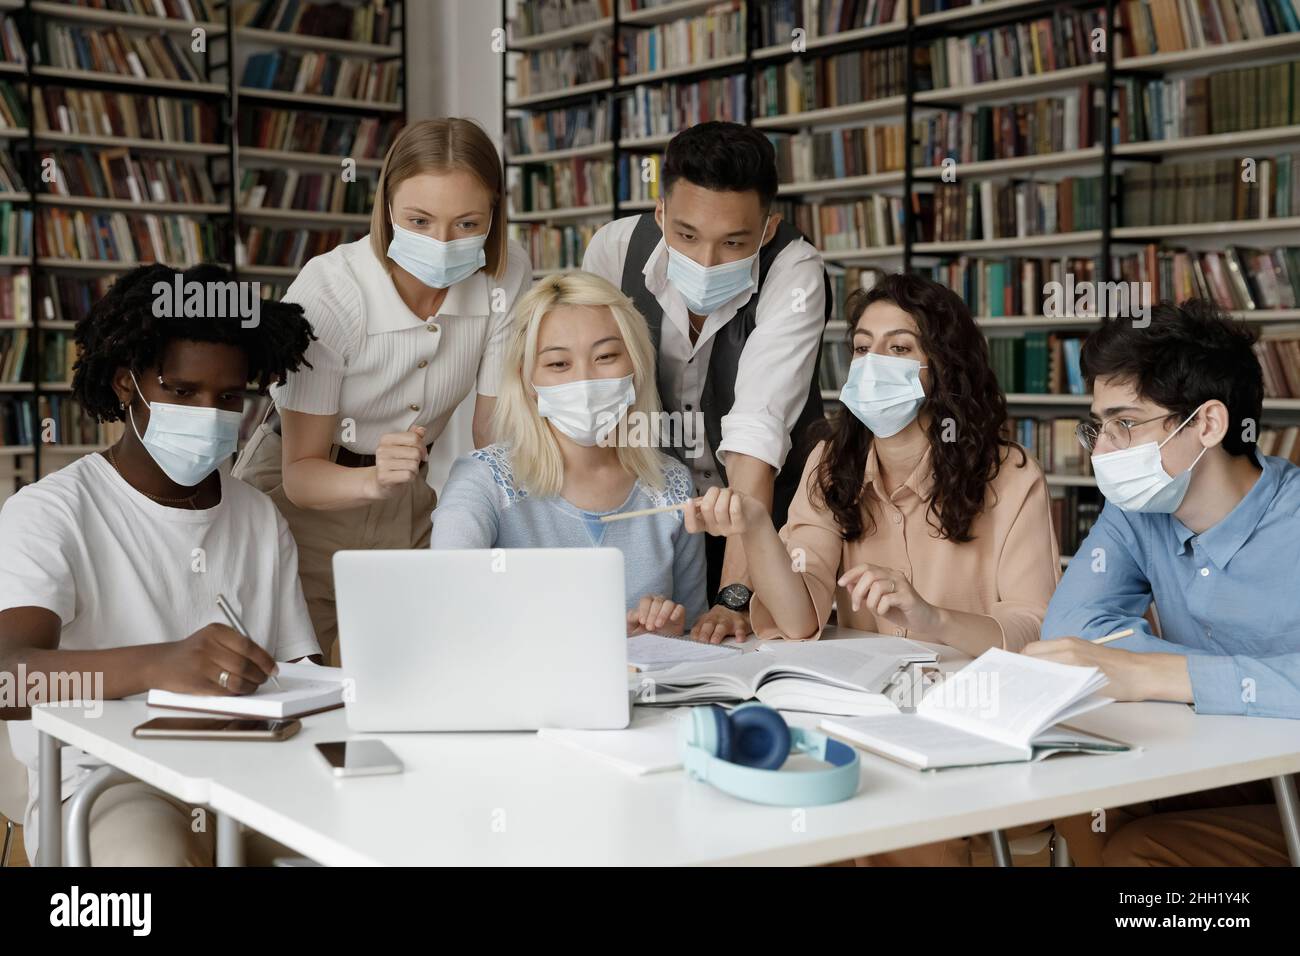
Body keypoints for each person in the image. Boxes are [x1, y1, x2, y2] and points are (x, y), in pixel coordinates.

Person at [685, 273, 1060, 865]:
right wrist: (757, 527)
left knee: (914, 838)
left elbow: (1033, 629)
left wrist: (933, 617)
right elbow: (801, 617)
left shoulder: (1010, 475)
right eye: (862, 348)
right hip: (865, 722)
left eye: (900, 348)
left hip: (971, 727)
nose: (872, 363)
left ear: (945, 367)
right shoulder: (831, 464)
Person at [0, 264, 321, 866]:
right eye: (181, 391)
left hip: (249, 777)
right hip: (108, 783)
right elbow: (9, 678)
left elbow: (299, 671)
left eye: (228, 397)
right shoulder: (51, 513)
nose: (210, 413)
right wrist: (162, 664)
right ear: (128, 385)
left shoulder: (257, 516)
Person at [234, 118, 532, 664]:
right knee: (314, 678)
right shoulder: (332, 291)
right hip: (300, 495)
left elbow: (490, 433)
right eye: (419, 220)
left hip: (406, 495)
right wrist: (374, 480)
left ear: (494, 213)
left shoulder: (505, 275)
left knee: (416, 664)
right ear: (387, 207)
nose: (443, 244)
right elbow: (300, 474)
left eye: (467, 223)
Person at [1033, 299, 1300, 867]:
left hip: (1289, 779)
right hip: (1225, 760)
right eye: (1098, 427)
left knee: (1138, 852)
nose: (1101, 451)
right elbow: (1074, 629)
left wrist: (1155, 672)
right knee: (1078, 791)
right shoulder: (1140, 509)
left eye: (1124, 424)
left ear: (1207, 423)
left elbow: (1117, 662)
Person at [582, 121, 829, 642]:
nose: (705, 261)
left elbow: (753, 443)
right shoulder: (614, 250)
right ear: (661, 213)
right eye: (686, 236)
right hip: (656, 512)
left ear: (766, 230)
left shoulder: (793, 270)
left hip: (772, 524)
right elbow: (594, 394)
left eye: (733, 242)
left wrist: (733, 597)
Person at [431, 271, 707, 635]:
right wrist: (605, 634)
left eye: (606, 356)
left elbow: (696, 632)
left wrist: (672, 632)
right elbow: (449, 607)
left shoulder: (672, 485)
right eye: (558, 364)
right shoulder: (483, 480)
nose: (585, 380)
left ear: (638, 365)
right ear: (527, 380)